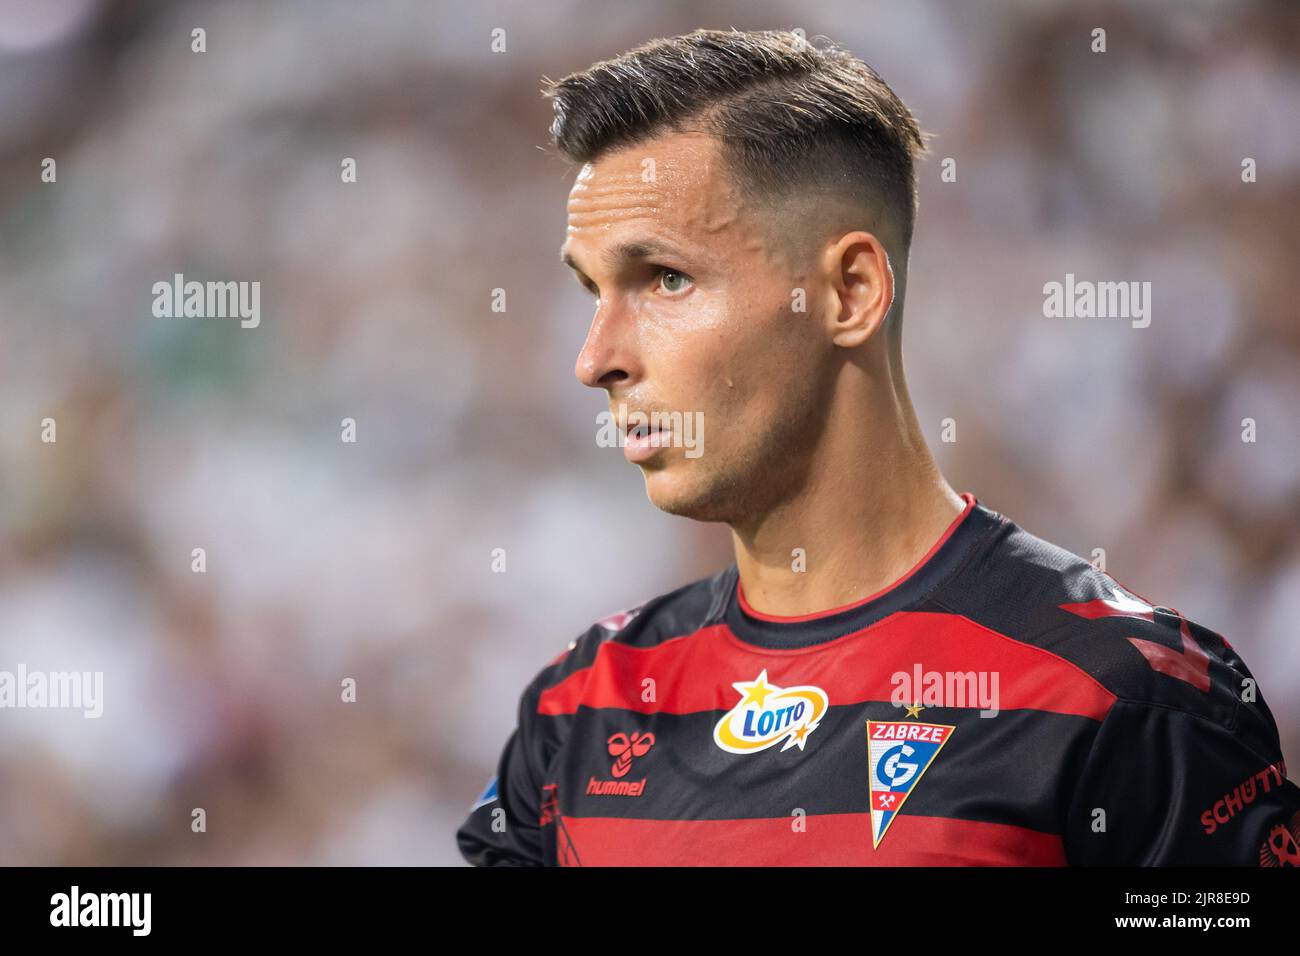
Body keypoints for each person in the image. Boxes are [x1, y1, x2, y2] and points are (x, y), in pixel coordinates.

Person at [457, 28, 1299, 866]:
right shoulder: (576, 712)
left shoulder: (1128, 696)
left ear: (850, 293)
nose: (594, 357)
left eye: (665, 279)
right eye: (592, 290)